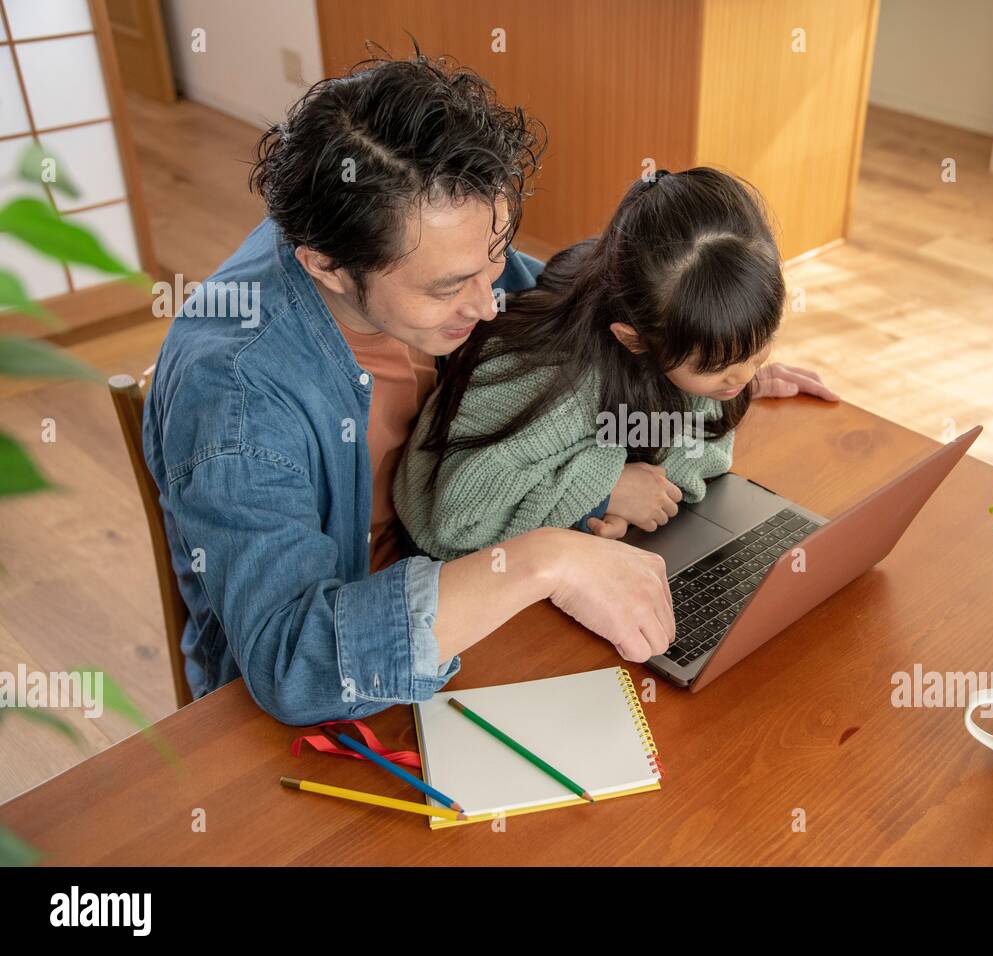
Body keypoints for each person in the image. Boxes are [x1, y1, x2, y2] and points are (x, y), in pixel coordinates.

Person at [141, 51, 836, 726]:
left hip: (483, 601)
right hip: (351, 697)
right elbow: (294, 661)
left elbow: (563, 313)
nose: (487, 301)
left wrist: (709, 365)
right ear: (326, 265)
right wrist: (545, 560)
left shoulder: (442, 246)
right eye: (447, 287)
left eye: (496, 255)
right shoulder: (234, 395)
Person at [395, 167, 783, 559]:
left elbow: (708, 449)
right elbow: (460, 520)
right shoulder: (557, 380)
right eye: (718, 364)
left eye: (761, 344)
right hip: (449, 555)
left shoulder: (679, 324)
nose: (744, 375)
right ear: (633, 340)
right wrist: (604, 490)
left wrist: (617, 501)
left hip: (537, 529)